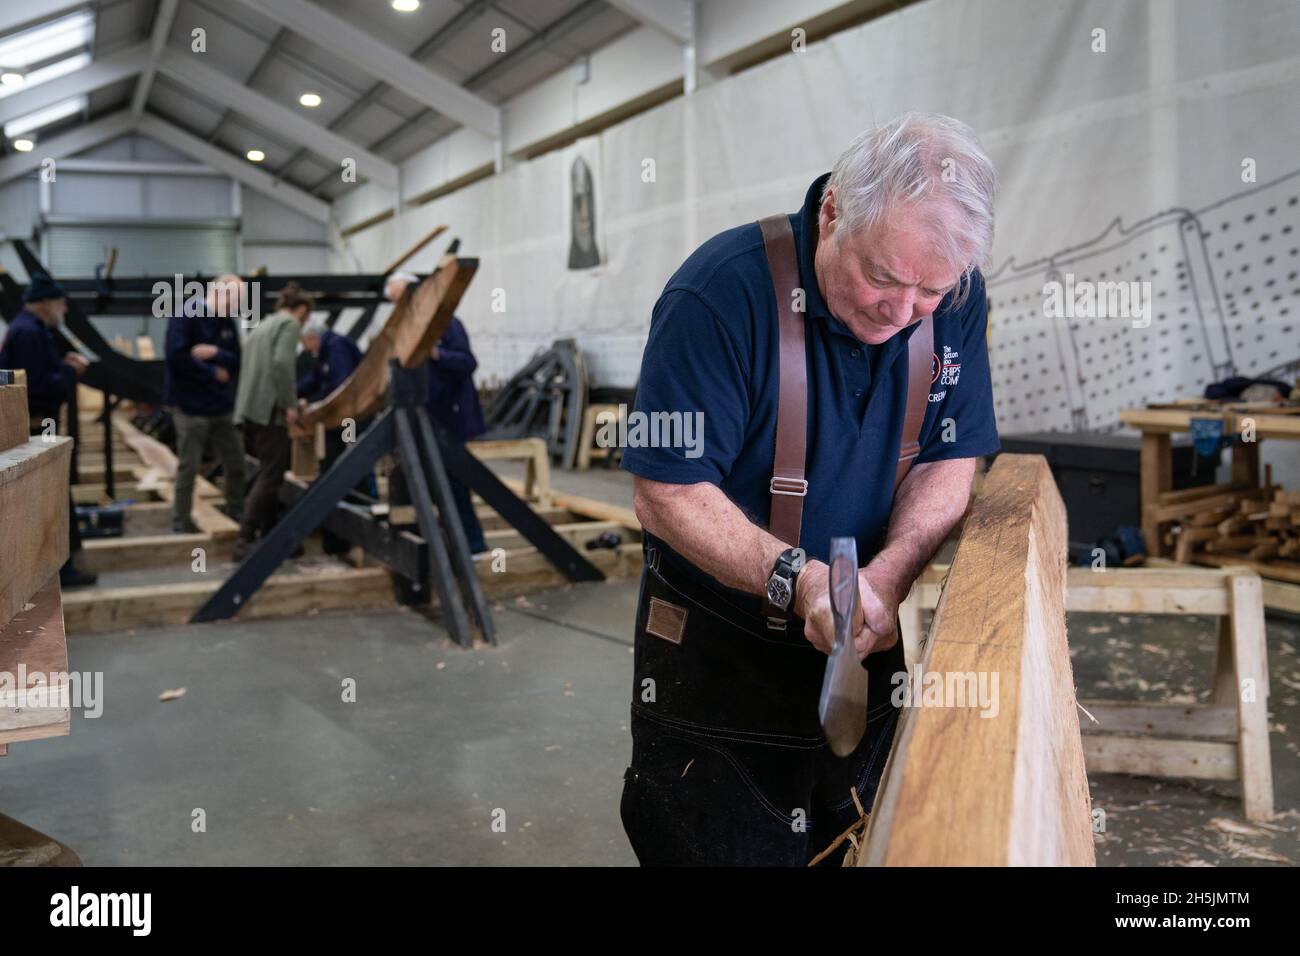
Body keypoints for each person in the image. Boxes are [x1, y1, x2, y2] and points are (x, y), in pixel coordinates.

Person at [619, 113, 1001, 866]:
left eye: (929, 292)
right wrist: (800, 582)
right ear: (832, 213)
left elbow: (949, 459)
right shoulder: (719, 295)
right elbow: (665, 492)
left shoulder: (954, 296)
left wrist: (888, 574)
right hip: (722, 668)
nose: (901, 313)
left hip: (872, 640)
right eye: (884, 278)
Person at [0, 273, 96, 587]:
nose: (65, 307)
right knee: (51, 498)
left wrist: (61, 363)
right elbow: (41, 388)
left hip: (38, 427)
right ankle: (59, 570)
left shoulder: (31, 329)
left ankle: (62, 565)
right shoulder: (29, 333)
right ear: (45, 303)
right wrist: (71, 370)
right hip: (37, 428)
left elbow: (41, 372)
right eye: (60, 301)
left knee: (53, 497)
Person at [232, 282, 312, 560]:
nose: (305, 323)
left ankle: (271, 534)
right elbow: (282, 364)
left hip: (249, 410)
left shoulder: (263, 326)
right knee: (271, 475)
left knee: (268, 471)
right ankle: (244, 538)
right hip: (269, 412)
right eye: (306, 317)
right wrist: (289, 404)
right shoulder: (289, 325)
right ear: (301, 309)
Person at [163, 273, 246, 534]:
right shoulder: (185, 316)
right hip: (190, 407)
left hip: (221, 406)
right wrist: (210, 372)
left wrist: (216, 353)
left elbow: (236, 359)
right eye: (235, 300)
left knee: (236, 464)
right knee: (189, 466)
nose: (236, 306)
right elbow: (176, 357)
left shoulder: (226, 322)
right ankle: (181, 520)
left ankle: (236, 509)